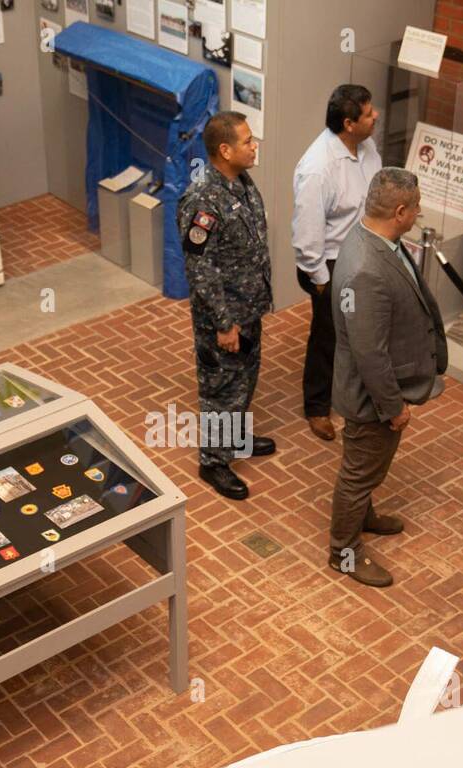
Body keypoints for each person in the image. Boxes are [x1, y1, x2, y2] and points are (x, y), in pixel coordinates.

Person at [329, 168, 446, 588]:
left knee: (369, 470)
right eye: (415, 208)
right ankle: (344, 551)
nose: (418, 214)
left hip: (377, 391)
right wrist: (393, 407)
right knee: (359, 473)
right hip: (371, 399)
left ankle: (365, 516)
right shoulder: (366, 269)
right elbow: (369, 353)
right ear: (399, 212)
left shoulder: (377, 241)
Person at [177, 111, 275, 501]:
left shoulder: (241, 183)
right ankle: (214, 461)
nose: (254, 146)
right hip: (225, 316)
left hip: (247, 306)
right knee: (221, 388)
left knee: (244, 378)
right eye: (248, 141)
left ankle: (234, 439)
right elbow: (199, 268)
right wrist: (223, 323)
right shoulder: (202, 199)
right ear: (224, 149)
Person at [292, 84, 382, 443]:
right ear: (349, 123)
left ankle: (355, 389)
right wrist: (319, 279)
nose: (375, 116)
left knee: (359, 328)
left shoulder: (367, 146)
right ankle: (316, 406)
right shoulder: (318, 168)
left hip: (361, 255)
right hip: (327, 264)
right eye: (368, 113)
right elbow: (307, 232)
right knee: (328, 336)